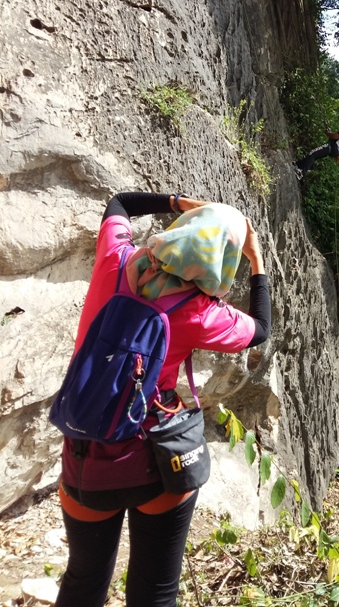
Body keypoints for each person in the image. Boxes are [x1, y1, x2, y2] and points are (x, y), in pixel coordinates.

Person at [54, 191, 270, 607]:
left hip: (85, 459)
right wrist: (257, 261)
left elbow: (117, 204)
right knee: (155, 591)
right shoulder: (201, 312)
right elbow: (260, 328)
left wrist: (176, 202)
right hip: (154, 460)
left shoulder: (115, 260)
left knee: (84, 581)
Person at [293, 109, 339, 180]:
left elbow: (336, 136)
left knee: (313, 154)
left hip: (333, 146)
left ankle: (301, 172)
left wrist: (327, 133)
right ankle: (298, 164)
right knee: (315, 154)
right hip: (337, 151)